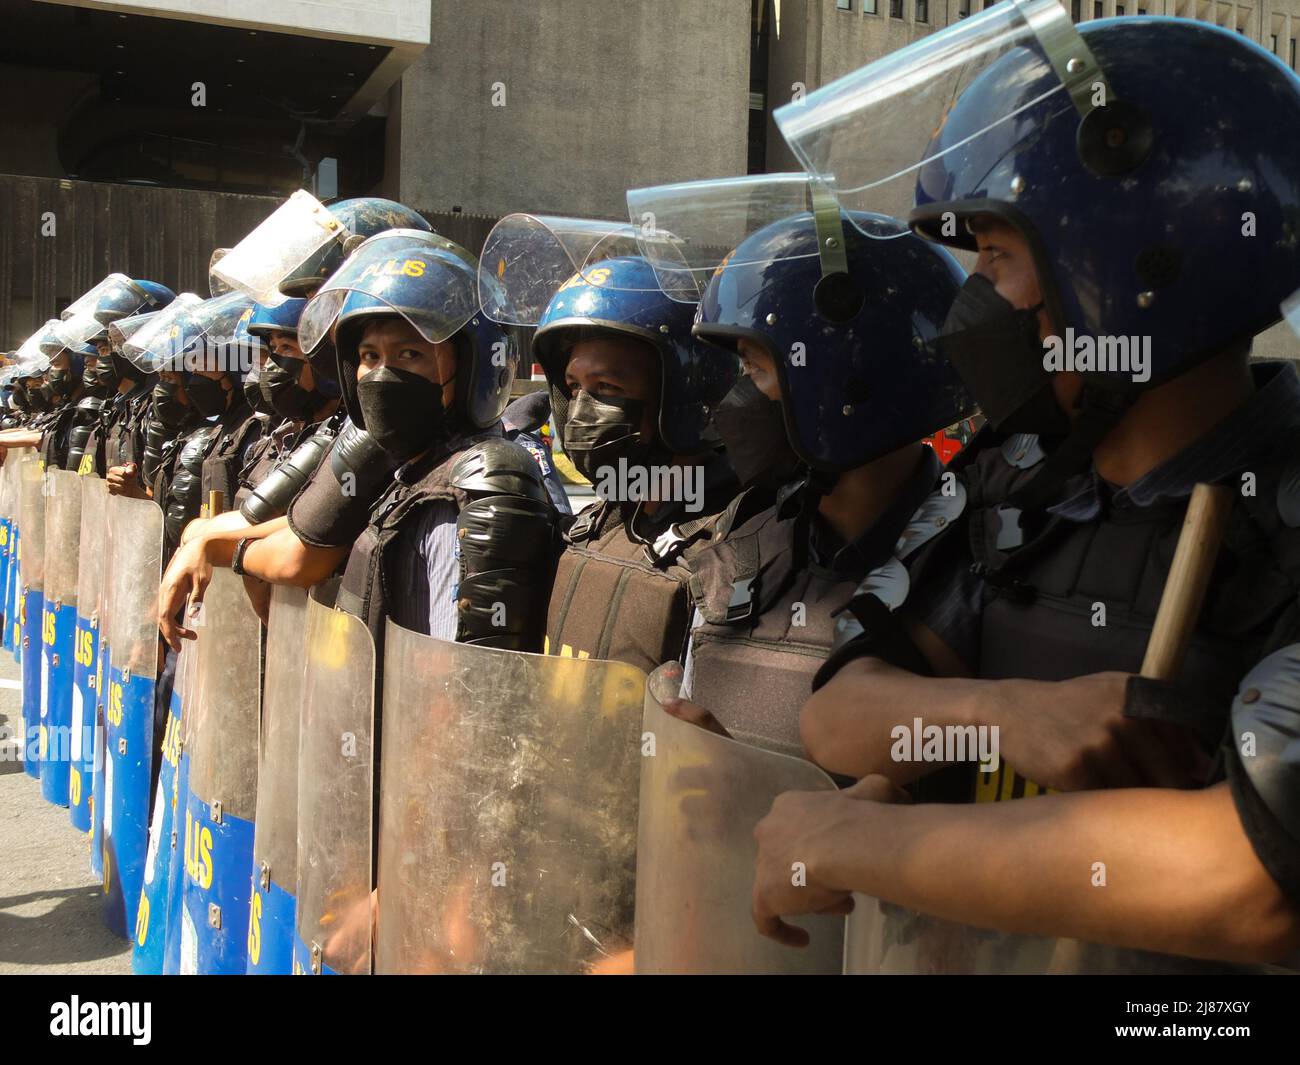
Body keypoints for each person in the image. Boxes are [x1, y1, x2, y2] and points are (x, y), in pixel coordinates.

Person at [753, 7, 1300, 966]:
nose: (975, 308)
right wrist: (1005, 721)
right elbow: (839, 714)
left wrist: (858, 840)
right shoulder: (1017, 484)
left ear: (1135, 267)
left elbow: (1253, 878)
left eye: (999, 258)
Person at [639, 194, 975, 757]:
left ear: (848, 382)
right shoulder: (737, 550)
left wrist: (739, 780)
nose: (735, 406)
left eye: (756, 370)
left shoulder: (968, 575)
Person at [481, 224, 739, 675]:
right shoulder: (590, 529)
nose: (581, 412)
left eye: (606, 387)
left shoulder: (733, 550)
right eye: (574, 388)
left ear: (680, 394)